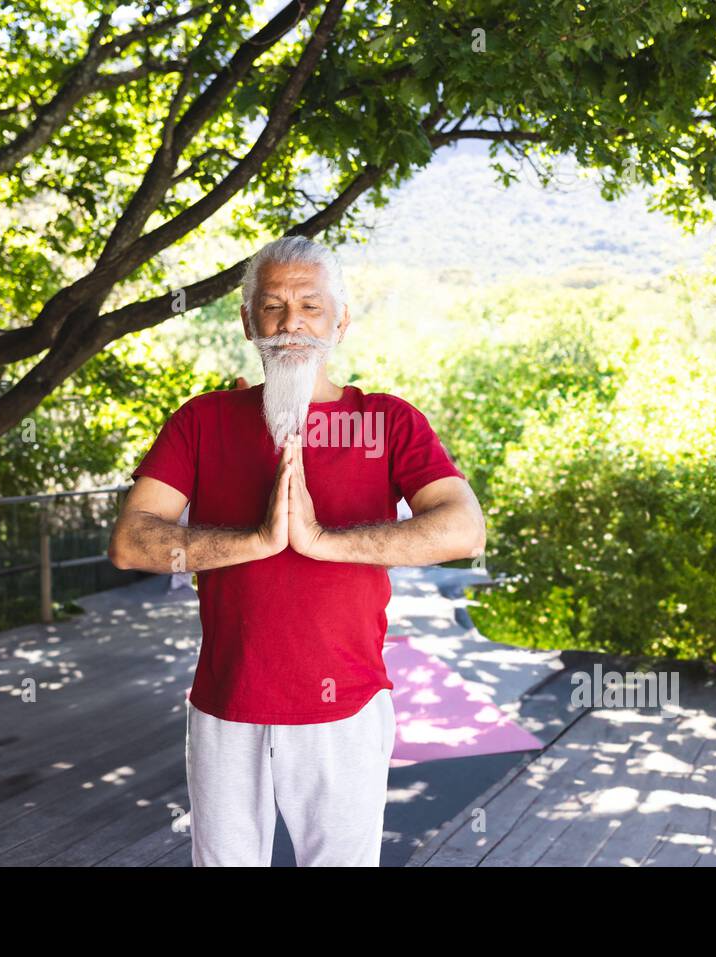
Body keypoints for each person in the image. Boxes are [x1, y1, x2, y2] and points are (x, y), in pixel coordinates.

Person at [108, 235, 486, 866]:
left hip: (348, 708)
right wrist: (256, 541)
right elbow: (130, 541)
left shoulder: (387, 420)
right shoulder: (203, 421)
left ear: (341, 321)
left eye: (311, 306)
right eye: (274, 306)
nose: (292, 323)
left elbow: (462, 529)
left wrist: (322, 543)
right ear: (248, 320)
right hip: (227, 703)